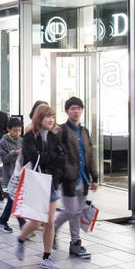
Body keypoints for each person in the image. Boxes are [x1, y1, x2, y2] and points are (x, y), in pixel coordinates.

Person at [15, 104, 63, 269]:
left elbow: (60, 158)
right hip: (36, 182)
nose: (51, 120)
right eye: (47, 116)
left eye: (53, 116)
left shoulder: (55, 136)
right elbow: (32, 156)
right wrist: (50, 156)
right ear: (39, 117)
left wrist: (46, 157)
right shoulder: (29, 136)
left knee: (49, 221)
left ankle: (46, 257)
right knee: (36, 223)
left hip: (52, 182)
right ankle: (21, 239)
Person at [52, 97, 99, 259]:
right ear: (67, 111)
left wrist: (95, 177)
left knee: (77, 212)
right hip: (68, 179)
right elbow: (56, 155)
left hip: (83, 178)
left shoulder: (84, 131)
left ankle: (75, 243)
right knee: (71, 210)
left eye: (78, 108)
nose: (76, 111)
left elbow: (91, 155)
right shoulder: (61, 130)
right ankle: (51, 230)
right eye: (72, 108)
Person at [0, 115, 25, 233]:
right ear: (9, 129)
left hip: (19, 175)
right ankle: (23, 226)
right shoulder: (3, 142)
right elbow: (4, 158)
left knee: (14, 199)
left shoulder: (21, 140)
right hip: (9, 176)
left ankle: (3, 221)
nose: (17, 133)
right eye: (15, 130)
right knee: (14, 199)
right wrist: (15, 153)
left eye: (19, 130)